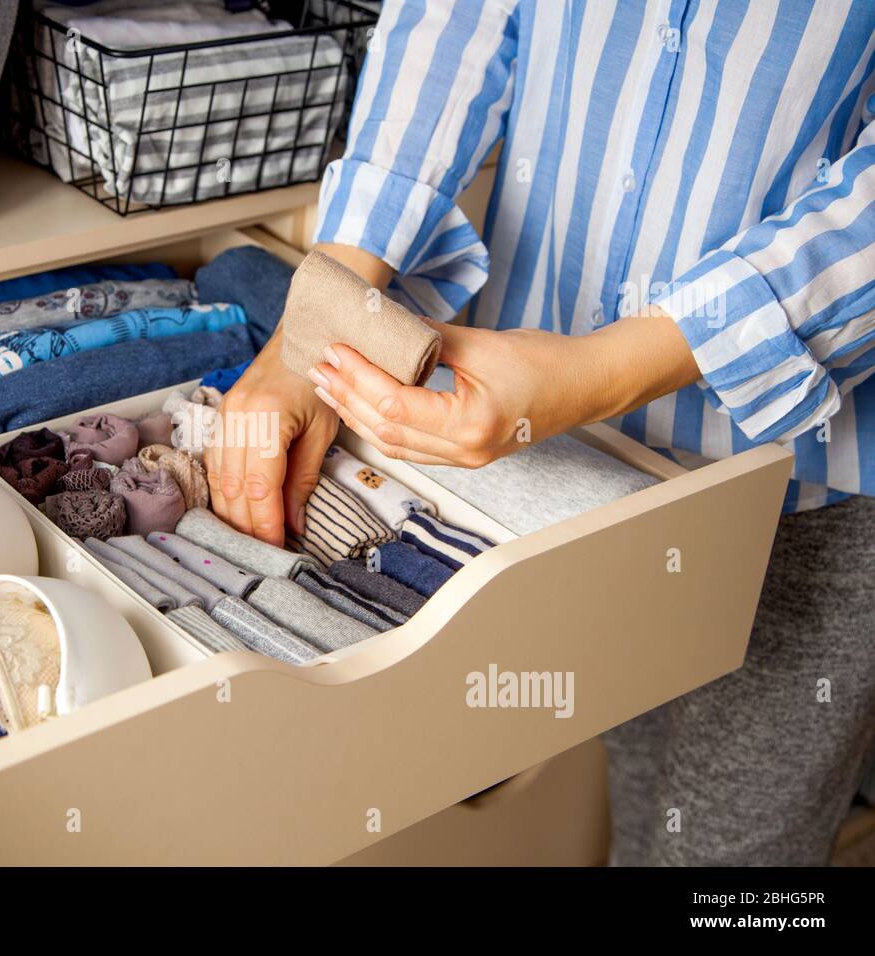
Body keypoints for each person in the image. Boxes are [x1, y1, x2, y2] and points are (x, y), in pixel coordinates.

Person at [206, 0, 875, 865]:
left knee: (745, 865)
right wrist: (326, 313)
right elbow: (451, 24)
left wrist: (604, 369)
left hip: (815, 468)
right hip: (571, 468)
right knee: (635, 774)